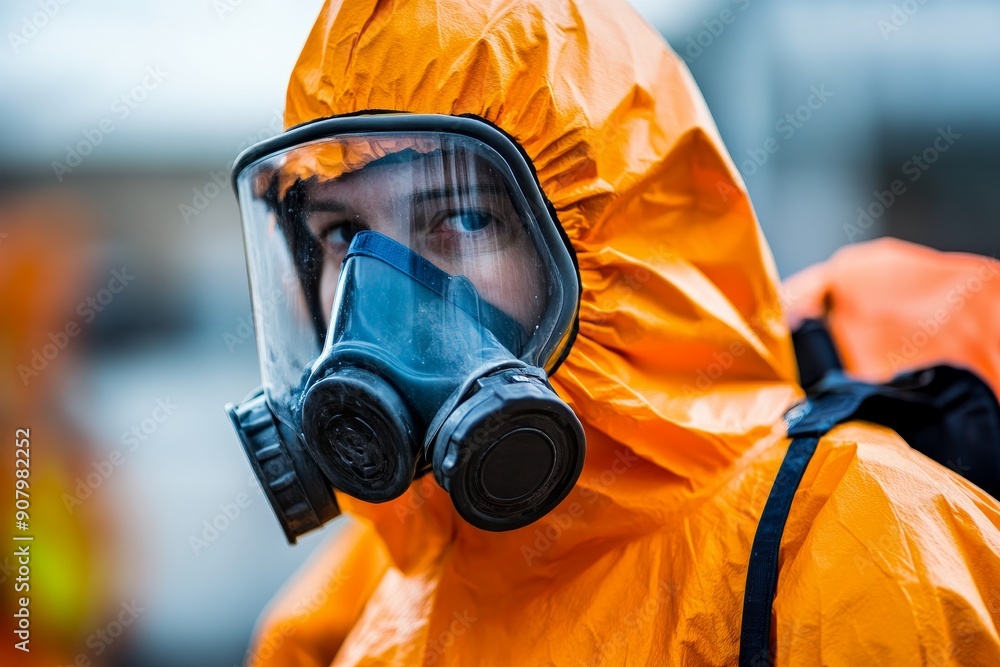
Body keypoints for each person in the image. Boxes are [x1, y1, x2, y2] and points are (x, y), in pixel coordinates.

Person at [226, 1, 1000, 664]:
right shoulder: (353, 603)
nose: (378, 298)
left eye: (463, 218)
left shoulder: (856, 542)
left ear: (613, 246)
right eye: (341, 234)